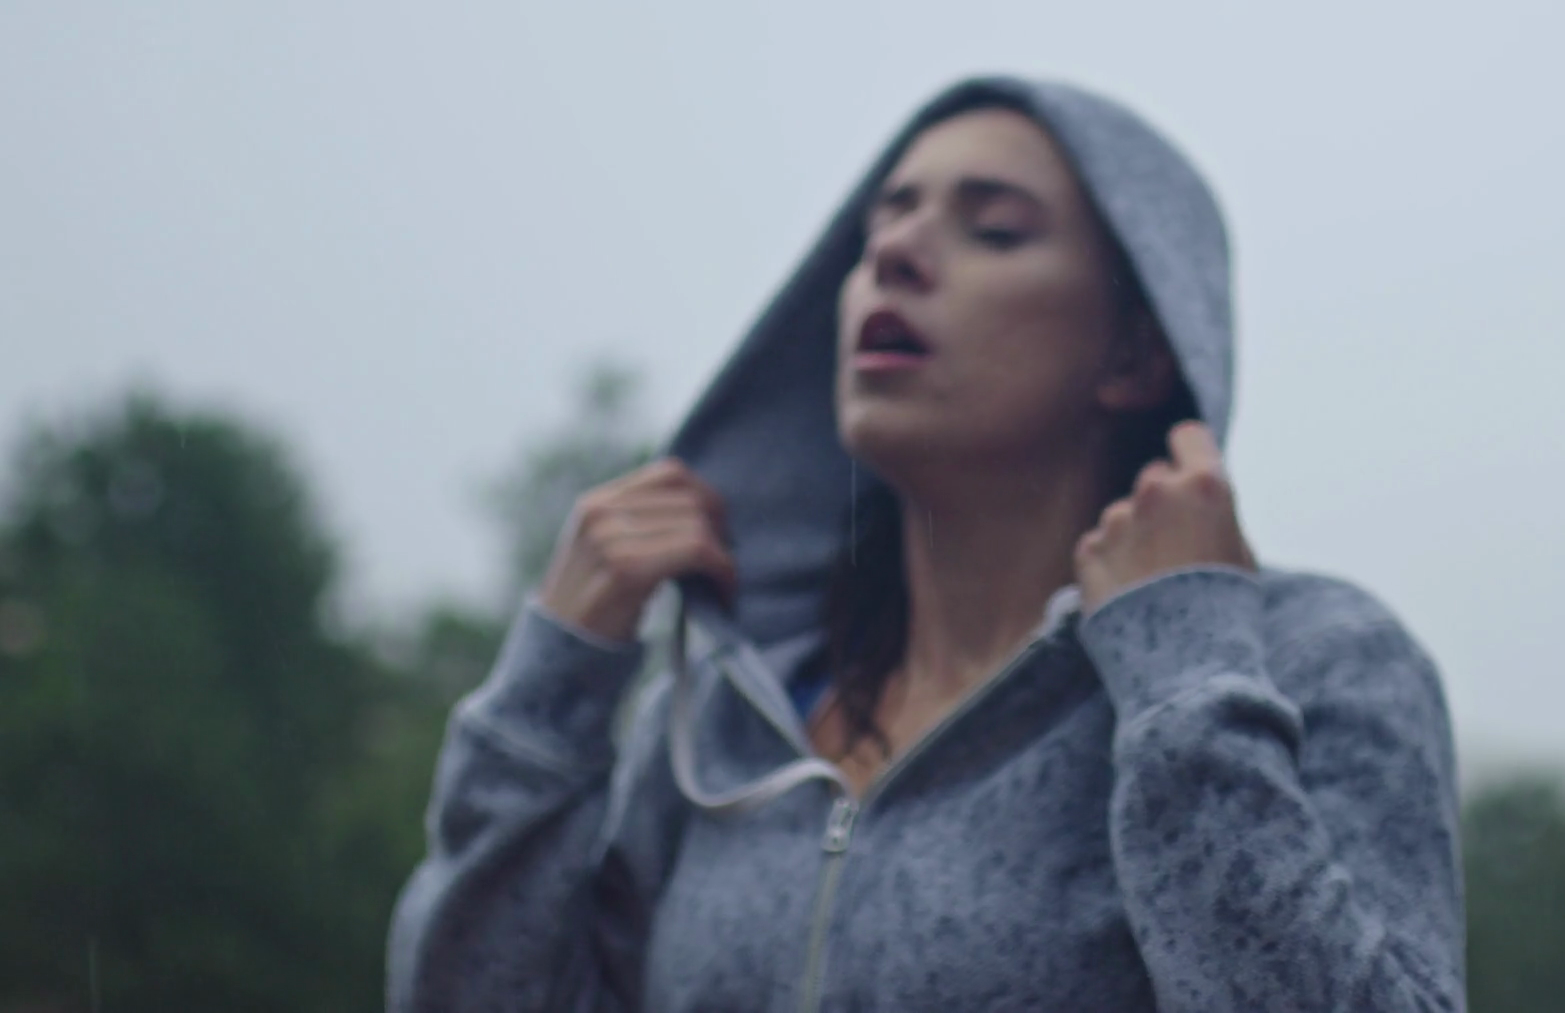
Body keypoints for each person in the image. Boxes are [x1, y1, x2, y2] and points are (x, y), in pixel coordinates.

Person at [387, 76, 1465, 1012]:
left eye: (993, 229)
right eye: (881, 227)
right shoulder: (723, 718)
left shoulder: (1309, 660)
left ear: (1136, 350)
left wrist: (1185, 673)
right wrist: (551, 688)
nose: (896, 249)